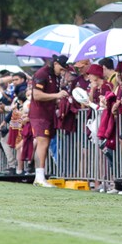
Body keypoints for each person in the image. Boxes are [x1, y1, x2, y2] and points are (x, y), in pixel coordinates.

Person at [27, 55, 70, 186]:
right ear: (55, 63)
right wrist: (57, 95)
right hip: (39, 115)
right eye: (61, 69)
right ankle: (39, 177)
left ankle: (38, 177)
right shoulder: (42, 73)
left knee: (44, 144)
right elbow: (37, 95)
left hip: (48, 114)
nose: (62, 72)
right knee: (43, 143)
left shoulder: (55, 76)